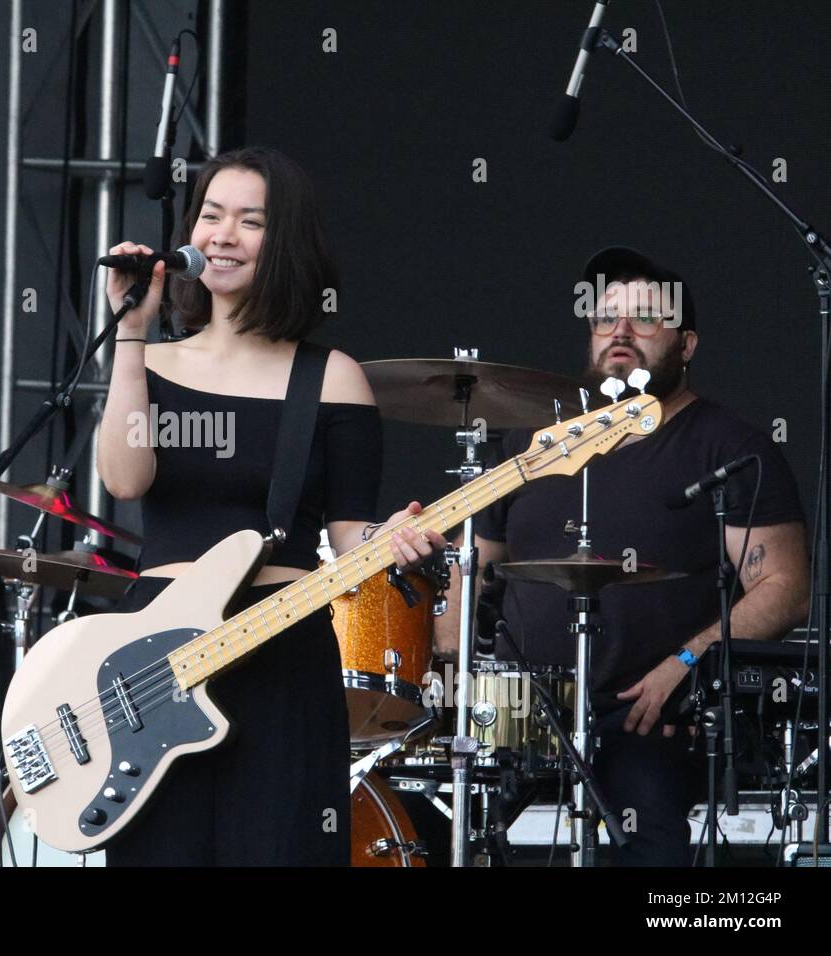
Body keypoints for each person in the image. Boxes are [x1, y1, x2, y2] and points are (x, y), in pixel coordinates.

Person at [96, 146, 445, 865]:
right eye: (211, 215)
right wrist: (131, 333)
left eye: (248, 221)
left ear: (283, 242)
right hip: (155, 659)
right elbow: (125, 481)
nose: (222, 234)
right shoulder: (152, 362)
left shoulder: (332, 378)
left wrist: (396, 538)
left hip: (280, 654)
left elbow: (353, 534)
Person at [426, 247, 810, 866]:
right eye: (606, 318)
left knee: (650, 848)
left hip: (645, 713)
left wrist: (686, 663)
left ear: (686, 345)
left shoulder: (730, 445)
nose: (621, 332)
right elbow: (469, 568)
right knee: (439, 829)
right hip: (519, 712)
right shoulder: (535, 441)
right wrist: (452, 682)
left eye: (645, 318)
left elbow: (785, 587)